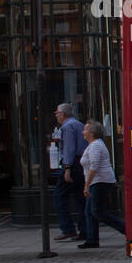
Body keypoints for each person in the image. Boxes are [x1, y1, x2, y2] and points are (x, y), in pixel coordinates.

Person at [77, 121, 125, 249]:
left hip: (100, 182)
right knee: (90, 212)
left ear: (91, 133)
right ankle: (92, 239)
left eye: (85, 130)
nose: (83, 132)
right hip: (97, 182)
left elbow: (94, 166)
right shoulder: (93, 145)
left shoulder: (95, 146)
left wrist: (86, 185)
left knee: (97, 212)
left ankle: (126, 229)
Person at [53, 103, 86, 241]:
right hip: (81, 163)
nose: (56, 115)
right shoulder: (78, 124)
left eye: (57, 112)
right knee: (80, 198)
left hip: (72, 165)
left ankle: (67, 228)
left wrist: (67, 168)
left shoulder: (67, 127)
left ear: (63, 114)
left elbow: (69, 149)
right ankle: (85, 230)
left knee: (59, 196)